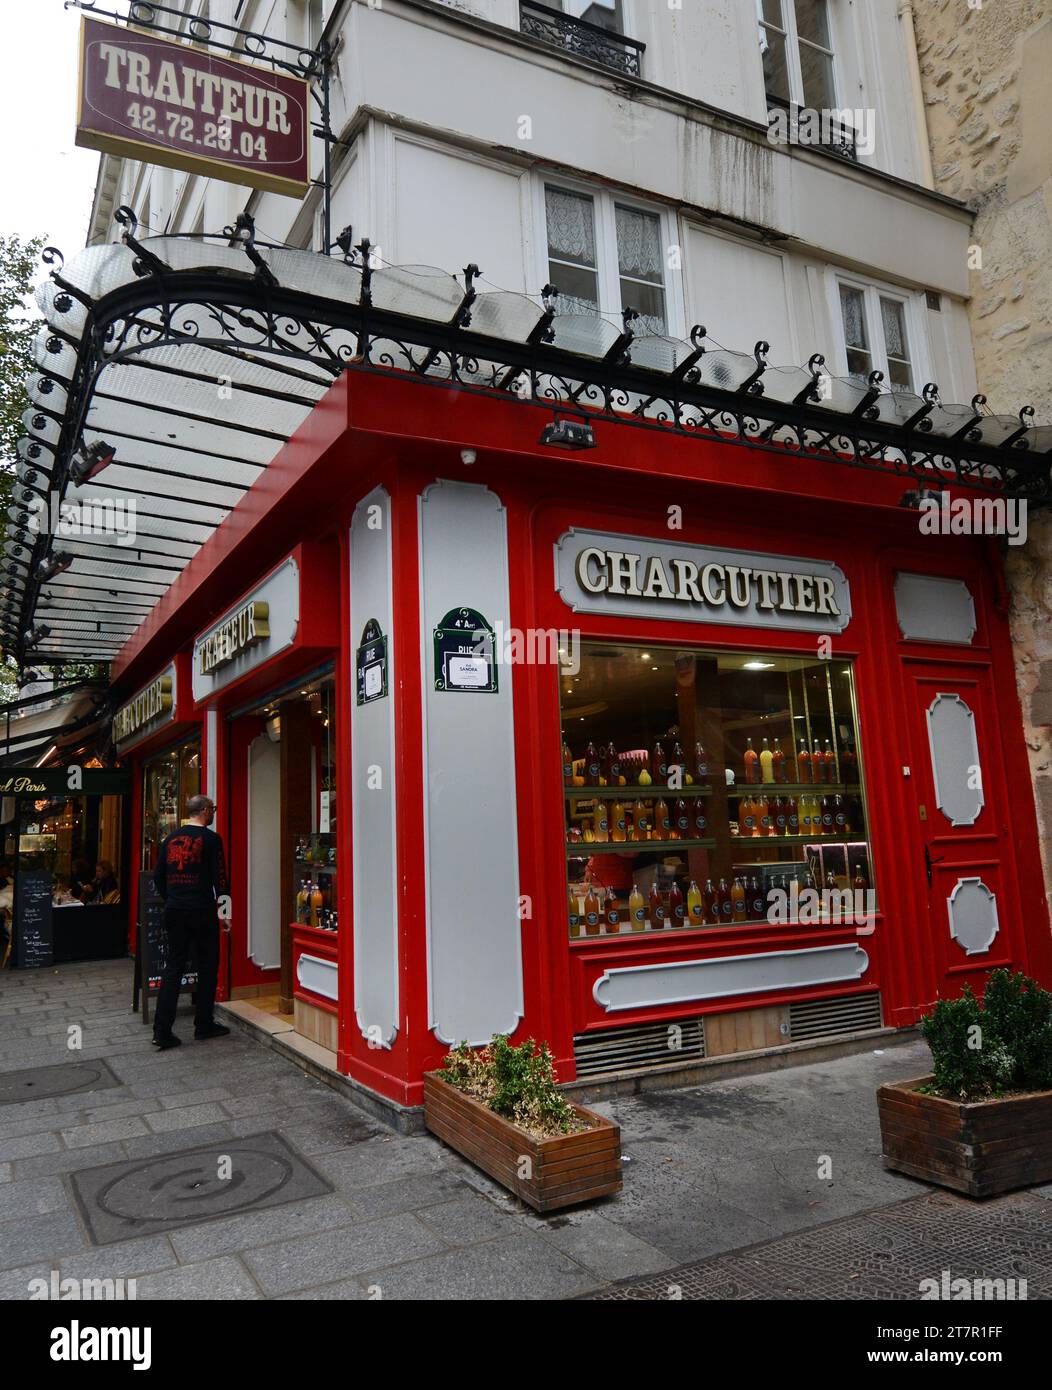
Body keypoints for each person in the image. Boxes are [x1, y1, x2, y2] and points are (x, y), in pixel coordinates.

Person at [151, 794, 230, 1050]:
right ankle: (204, 1024)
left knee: (173, 967)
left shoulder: (169, 839)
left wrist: (172, 898)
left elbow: (159, 876)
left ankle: (162, 1031)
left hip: (175, 910)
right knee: (208, 965)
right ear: (205, 811)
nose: (214, 812)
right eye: (213, 809)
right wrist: (225, 913)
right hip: (201, 910)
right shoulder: (212, 839)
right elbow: (221, 879)